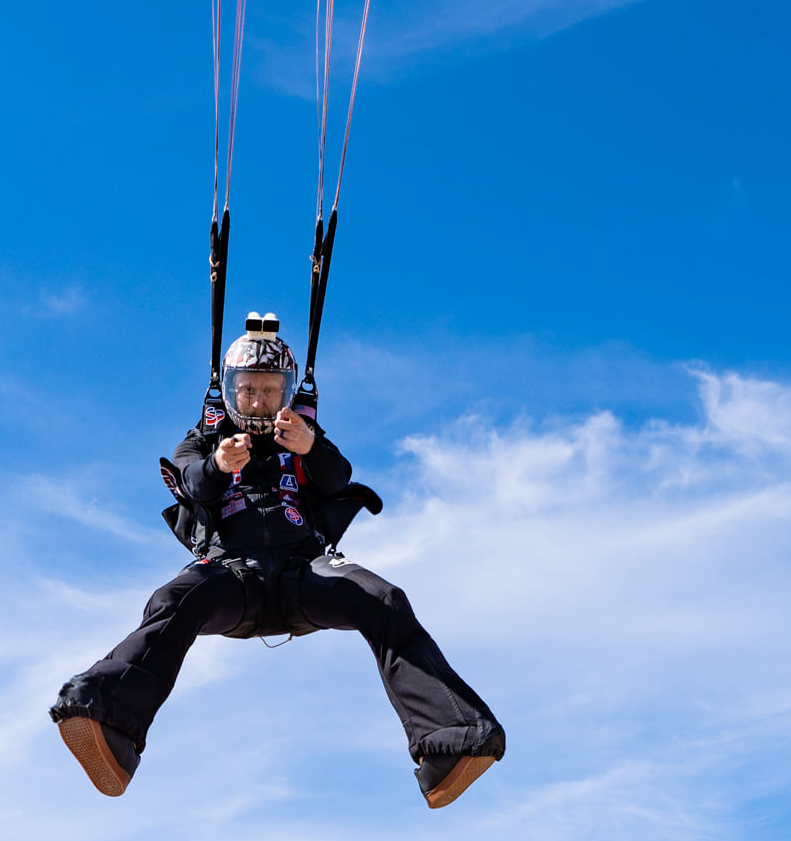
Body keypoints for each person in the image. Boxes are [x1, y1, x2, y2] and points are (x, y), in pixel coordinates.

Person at [50, 312, 505, 807]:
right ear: (230, 389)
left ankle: (455, 738)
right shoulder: (205, 440)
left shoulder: (303, 438)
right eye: (249, 389)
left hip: (303, 573)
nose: (260, 401)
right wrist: (219, 464)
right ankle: (106, 718)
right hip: (233, 575)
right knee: (172, 599)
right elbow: (190, 480)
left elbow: (337, 477)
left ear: (287, 392)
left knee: (384, 599)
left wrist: (311, 447)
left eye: (270, 390)